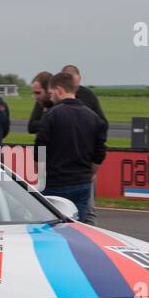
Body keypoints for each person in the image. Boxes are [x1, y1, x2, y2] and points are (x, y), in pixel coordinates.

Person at [34, 71, 106, 222]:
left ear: (59, 90)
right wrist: (89, 174)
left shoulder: (51, 115)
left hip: (56, 182)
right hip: (82, 182)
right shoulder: (93, 117)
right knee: (79, 226)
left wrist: (41, 178)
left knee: (54, 227)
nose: (51, 97)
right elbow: (99, 154)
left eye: (52, 93)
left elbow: (39, 152)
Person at [61, 64, 108, 223]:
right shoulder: (54, 101)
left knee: (88, 212)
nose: (74, 87)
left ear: (79, 79)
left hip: (84, 163)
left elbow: (103, 124)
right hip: (64, 165)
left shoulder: (88, 95)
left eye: (75, 82)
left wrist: (94, 159)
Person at [26, 70, 54, 135]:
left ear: (49, 90)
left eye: (38, 93)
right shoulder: (41, 102)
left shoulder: (61, 105)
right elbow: (31, 127)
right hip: (43, 144)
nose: (35, 97)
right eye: (34, 93)